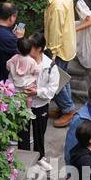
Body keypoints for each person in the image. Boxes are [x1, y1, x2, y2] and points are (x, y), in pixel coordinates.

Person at [7, 31, 60, 160]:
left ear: (39, 49)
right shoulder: (20, 59)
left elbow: (52, 90)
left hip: (40, 104)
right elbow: (11, 78)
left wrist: (37, 92)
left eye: (31, 45)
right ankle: (24, 159)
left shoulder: (50, 66)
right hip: (22, 104)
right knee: (22, 134)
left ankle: (40, 158)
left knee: (39, 134)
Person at [39, 0, 79, 127]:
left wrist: (52, 53)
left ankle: (68, 109)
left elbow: (55, 31)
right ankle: (66, 107)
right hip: (67, 44)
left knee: (56, 81)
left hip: (59, 49)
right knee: (63, 78)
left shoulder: (56, 5)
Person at [0, 1, 25, 81]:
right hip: (5, 76)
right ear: (11, 17)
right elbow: (22, 56)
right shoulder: (10, 39)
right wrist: (20, 39)